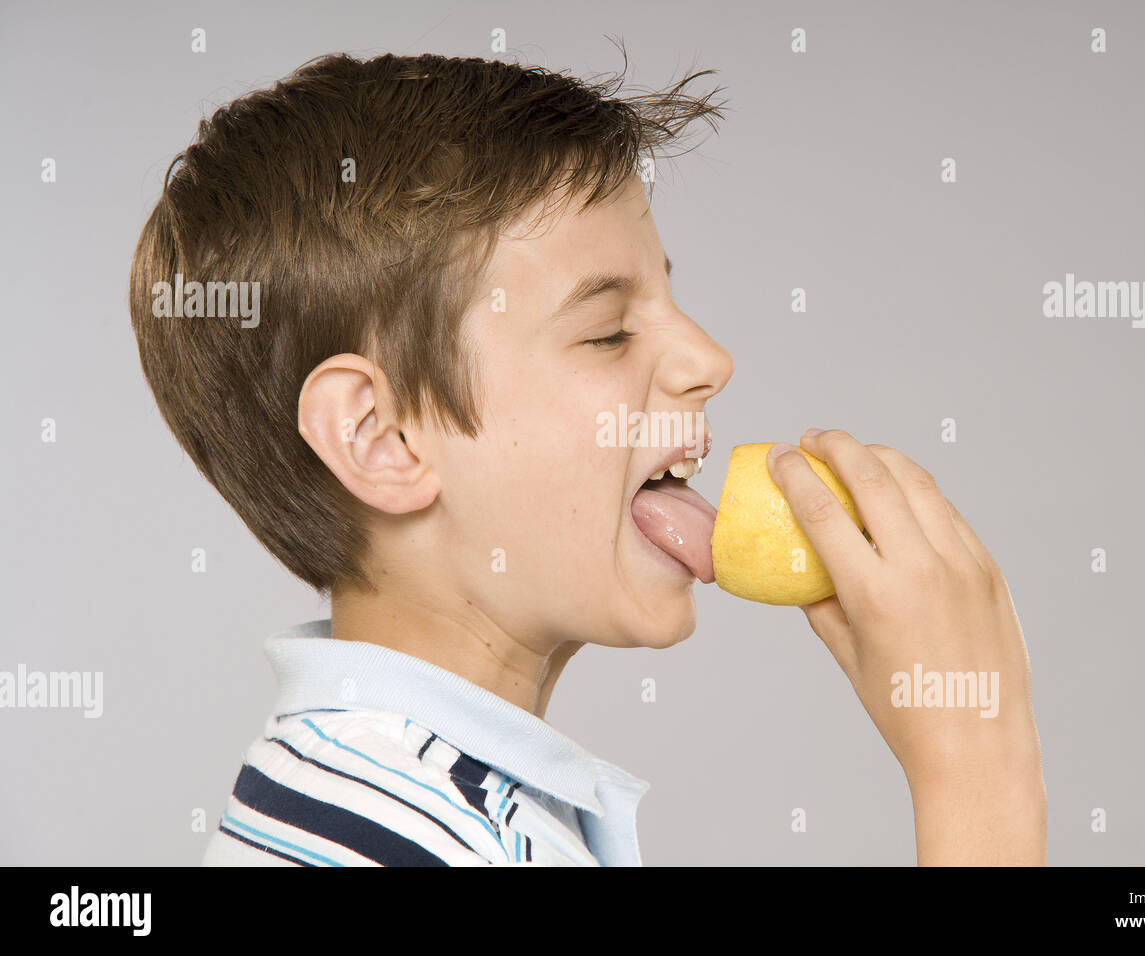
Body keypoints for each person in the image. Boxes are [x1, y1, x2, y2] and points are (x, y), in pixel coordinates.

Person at [127, 50, 1044, 866]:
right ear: (383, 438)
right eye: (608, 332)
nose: (709, 359)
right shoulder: (393, 844)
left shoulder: (396, 802)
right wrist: (978, 771)